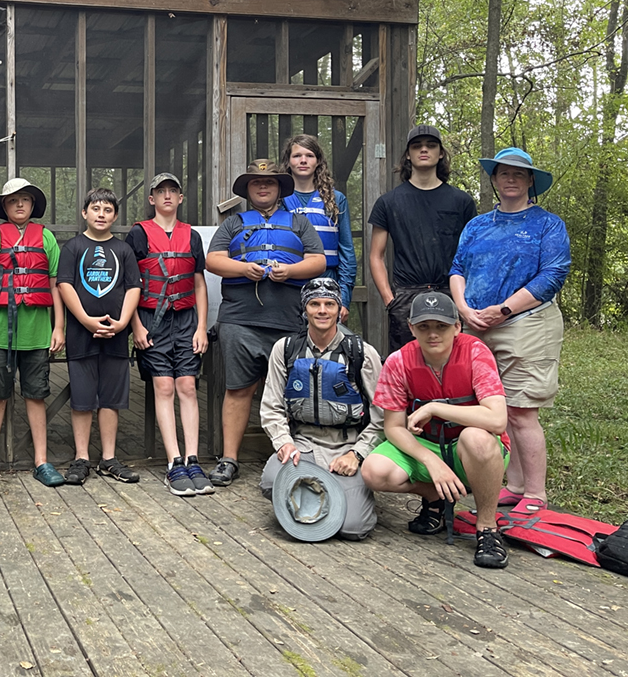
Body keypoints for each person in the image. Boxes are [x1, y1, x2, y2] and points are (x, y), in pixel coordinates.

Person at [449, 147, 570, 518]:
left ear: (531, 180)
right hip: (476, 325)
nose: (511, 179)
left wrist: (504, 310)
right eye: (504, 173)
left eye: (519, 173)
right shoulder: (478, 225)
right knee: (494, 408)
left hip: (526, 325)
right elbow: (457, 268)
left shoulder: (548, 224)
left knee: (521, 411)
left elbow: (553, 274)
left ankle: (534, 491)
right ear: (495, 180)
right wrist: (465, 310)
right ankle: (514, 486)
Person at [361, 292, 511, 569]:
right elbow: (393, 427)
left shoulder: (476, 352)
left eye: (441, 326)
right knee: (374, 470)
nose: (433, 334)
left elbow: (497, 419)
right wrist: (431, 462)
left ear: (456, 327)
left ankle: (488, 528)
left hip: (473, 448)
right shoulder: (398, 361)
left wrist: (434, 408)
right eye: (424, 327)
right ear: (411, 328)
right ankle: (434, 496)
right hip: (428, 444)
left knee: (475, 437)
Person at [205, 160, 325, 486]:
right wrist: (244, 269)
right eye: (256, 182)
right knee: (238, 389)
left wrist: (291, 271)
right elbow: (213, 260)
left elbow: (318, 260)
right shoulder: (233, 224)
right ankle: (229, 459)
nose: (262, 187)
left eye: (269, 183)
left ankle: (296, 455)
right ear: (247, 189)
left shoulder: (299, 223)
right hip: (239, 321)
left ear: (279, 189)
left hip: (288, 324)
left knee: (293, 392)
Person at [259, 278, 384, 539]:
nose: (322, 311)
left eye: (329, 304)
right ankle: (323, 494)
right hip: (303, 445)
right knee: (271, 480)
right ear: (305, 310)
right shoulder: (285, 349)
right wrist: (284, 443)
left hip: (347, 446)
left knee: (353, 528)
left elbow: (382, 416)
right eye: (314, 304)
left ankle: (347, 495)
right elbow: (272, 407)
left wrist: (358, 454)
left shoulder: (362, 353)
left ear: (340, 310)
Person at [0, 178, 66, 488]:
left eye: (25, 199)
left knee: (36, 396)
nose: (19, 204)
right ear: (5, 208)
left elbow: (55, 285)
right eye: (13, 201)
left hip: (37, 334)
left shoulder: (47, 238)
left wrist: (59, 327)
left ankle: (41, 461)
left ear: (33, 204)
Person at [127, 173, 213, 496]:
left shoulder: (191, 236)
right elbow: (130, 285)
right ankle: (173, 462)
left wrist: (201, 326)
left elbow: (199, 282)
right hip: (152, 319)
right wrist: (135, 325)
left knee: (187, 385)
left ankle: (193, 459)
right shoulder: (139, 234)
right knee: (163, 385)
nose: (166, 196)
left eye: (172, 191)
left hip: (186, 318)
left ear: (180, 198)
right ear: (151, 199)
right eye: (160, 191)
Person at [57, 187, 142, 485]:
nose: (101, 215)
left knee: (110, 399)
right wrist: (85, 320)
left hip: (116, 338)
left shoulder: (123, 250)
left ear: (115, 216)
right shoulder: (73, 247)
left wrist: (121, 324)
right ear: (85, 213)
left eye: (107, 210)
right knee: (82, 399)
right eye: (96, 209)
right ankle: (81, 458)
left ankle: (108, 458)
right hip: (82, 336)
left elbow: (133, 287)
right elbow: (65, 285)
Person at [368, 125, 476, 353]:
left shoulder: (461, 201)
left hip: (451, 294)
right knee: (406, 368)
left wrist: (464, 299)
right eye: (417, 146)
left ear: (441, 153)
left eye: (431, 145)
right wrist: (391, 300)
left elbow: (471, 255)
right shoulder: (388, 202)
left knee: (453, 364)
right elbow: (376, 256)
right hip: (406, 296)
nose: (424, 150)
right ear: (408, 154)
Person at [280, 135, 357, 321]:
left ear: (318, 162)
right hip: (288, 284)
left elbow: (347, 251)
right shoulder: (279, 201)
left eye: (309, 155)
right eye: (297, 155)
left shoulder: (335, 199)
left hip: (327, 282)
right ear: (288, 162)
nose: (303, 160)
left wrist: (344, 299)